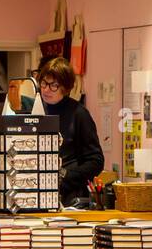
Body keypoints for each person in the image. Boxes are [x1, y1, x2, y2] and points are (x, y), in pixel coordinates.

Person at [36, 56, 104, 206]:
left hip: (70, 197)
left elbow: (96, 161)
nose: (46, 89)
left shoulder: (79, 114)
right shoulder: (35, 110)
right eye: (43, 83)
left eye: (53, 85)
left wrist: (66, 176)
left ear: (65, 88)